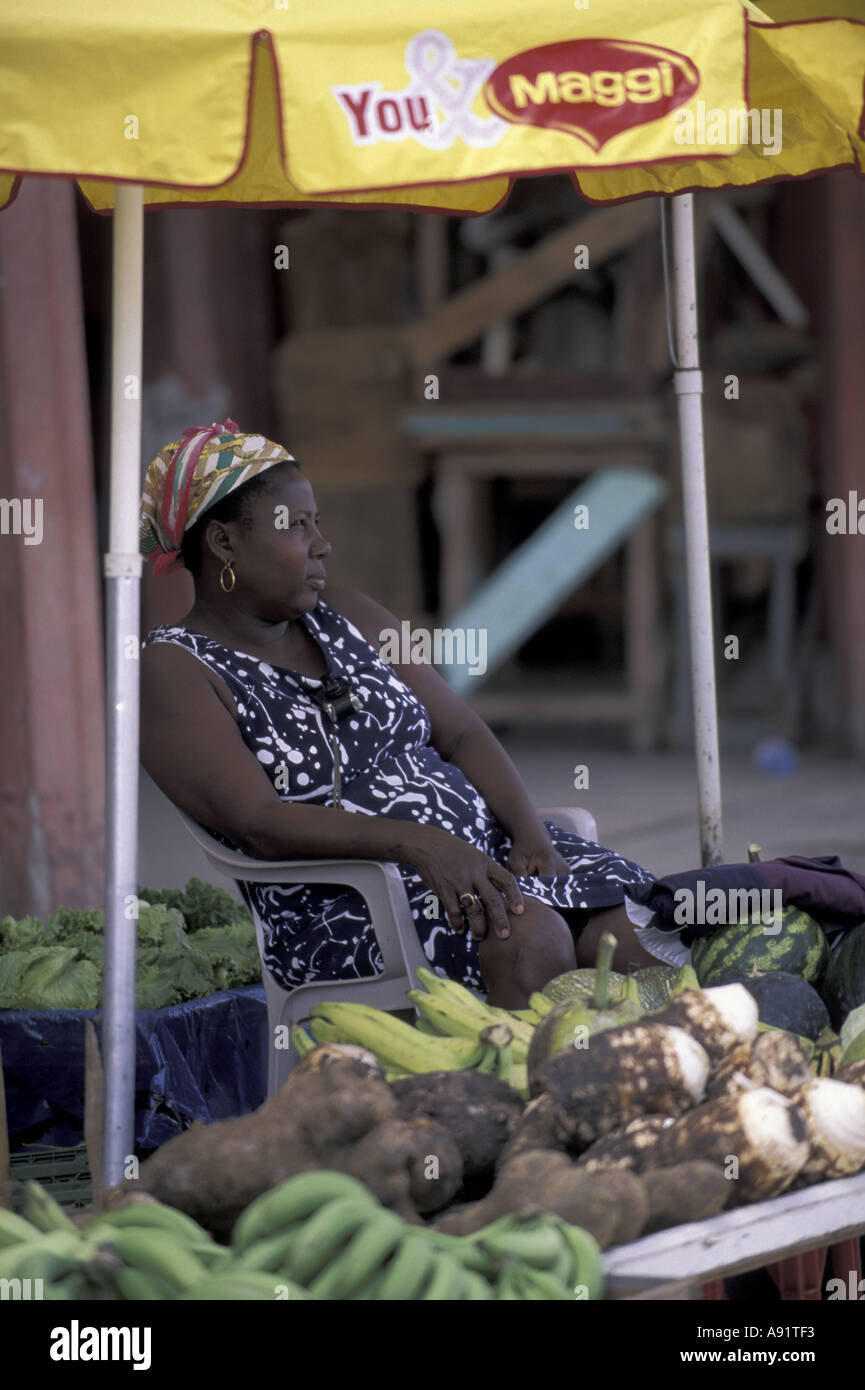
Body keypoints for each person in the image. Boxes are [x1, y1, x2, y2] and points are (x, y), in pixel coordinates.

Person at [139, 420, 659, 1010]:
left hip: (480, 855)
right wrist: (420, 845)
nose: (320, 544)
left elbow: (461, 732)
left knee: (640, 933)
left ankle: (652, 1087)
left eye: (318, 523)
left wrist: (531, 833)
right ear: (224, 544)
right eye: (296, 526)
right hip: (348, 901)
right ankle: (525, 1095)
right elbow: (258, 821)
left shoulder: (347, 613)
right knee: (530, 939)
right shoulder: (174, 669)